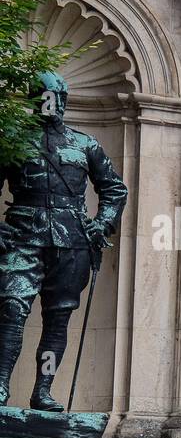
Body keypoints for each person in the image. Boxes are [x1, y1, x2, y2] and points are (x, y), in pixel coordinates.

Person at [0, 72, 127, 410]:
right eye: (43, 95)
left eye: (55, 96)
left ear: (65, 101)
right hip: (23, 238)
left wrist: (102, 223)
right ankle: (0, 386)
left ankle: (43, 390)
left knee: (58, 320)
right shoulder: (12, 141)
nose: (50, 102)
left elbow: (114, 189)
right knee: (12, 309)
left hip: (72, 243)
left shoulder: (85, 144)